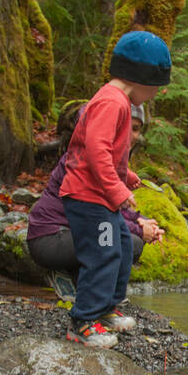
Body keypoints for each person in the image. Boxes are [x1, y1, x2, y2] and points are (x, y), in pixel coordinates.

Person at [58, 30, 170, 348]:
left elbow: (108, 152)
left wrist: (127, 175)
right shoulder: (111, 102)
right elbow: (95, 150)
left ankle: (106, 309)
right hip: (87, 196)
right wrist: (117, 190)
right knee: (103, 253)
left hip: (101, 197)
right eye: (157, 87)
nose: (156, 94)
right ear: (143, 78)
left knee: (121, 247)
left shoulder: (117, 100)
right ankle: (83, 321)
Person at [26, 104, 163, 301]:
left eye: (135, 129)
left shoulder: (108, 163)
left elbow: (113, 209)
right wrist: (139, 230)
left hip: (75, 234)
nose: (131, 135)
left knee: (130, 241)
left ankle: (78, 283)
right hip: (51, 238)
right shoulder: (85, 162)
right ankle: (78, 283)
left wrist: (140, 220)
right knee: (128, 242)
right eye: (125, 127)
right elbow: (99, 217)